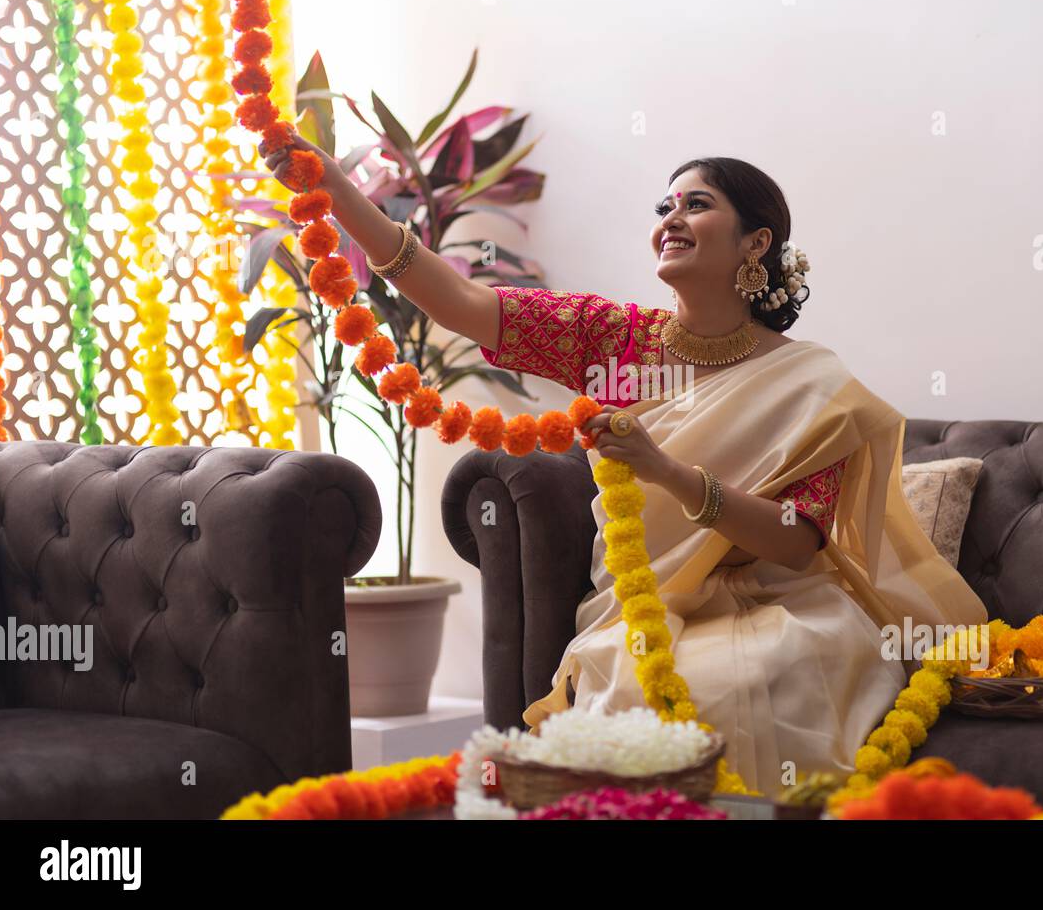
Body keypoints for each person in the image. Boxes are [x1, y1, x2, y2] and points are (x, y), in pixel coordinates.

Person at [260, 140, 988, 794]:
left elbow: (799, 540)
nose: (669, 218)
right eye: (663, 206)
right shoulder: (615, 341)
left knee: (763, 673)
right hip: (649, 606)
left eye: (696, 205)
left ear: (755, 241)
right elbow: (459, 302)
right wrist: (334, 188)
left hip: (783, 603)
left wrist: (669, 472)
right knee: (647, 685)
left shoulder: (812, 380)